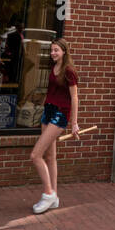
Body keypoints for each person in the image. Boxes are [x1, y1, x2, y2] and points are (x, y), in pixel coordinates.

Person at [29, 38, 80, 213]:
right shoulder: (54, 67)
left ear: (64, 51)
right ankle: (55, 197)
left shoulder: (68, 71)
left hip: (60, 114)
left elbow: (74, 98)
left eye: (56, 50)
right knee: (50, 157)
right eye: (51, 50)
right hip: (48, 112)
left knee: (36, 155)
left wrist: (74, 124)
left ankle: (48, 193)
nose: (53, 53)